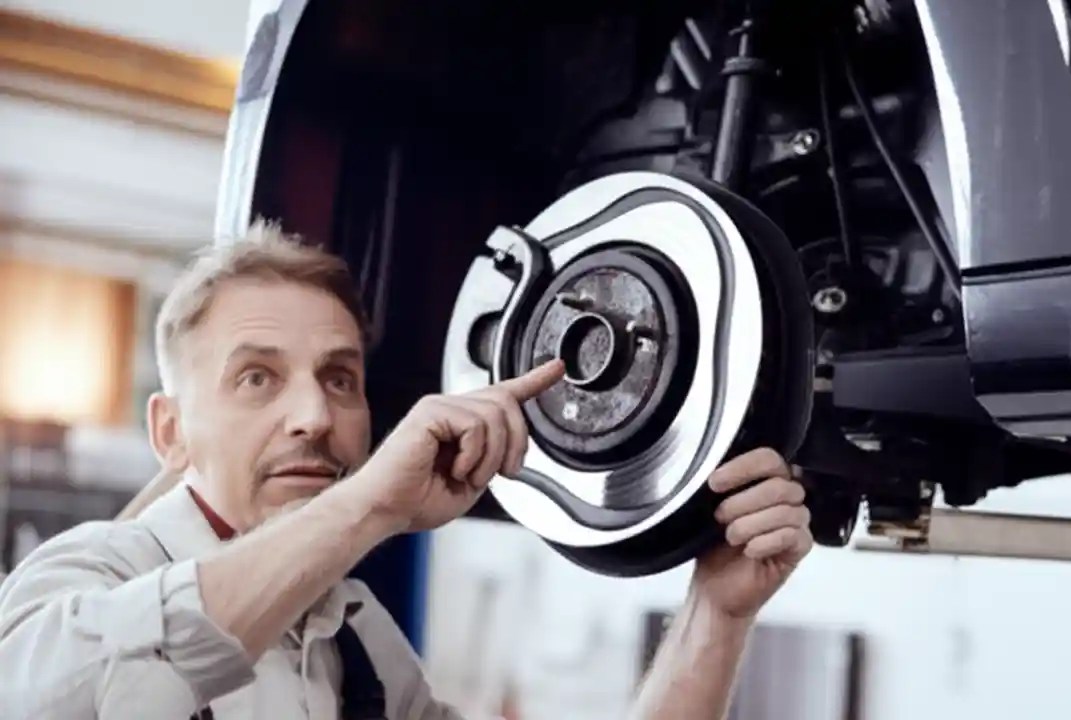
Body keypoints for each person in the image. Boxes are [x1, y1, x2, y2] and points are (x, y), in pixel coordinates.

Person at [0, 222, 814, 719]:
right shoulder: (87, 574)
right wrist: (366, 509)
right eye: (257, 377)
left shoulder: (356, 646)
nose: (314, 416)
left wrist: (716, 613)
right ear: (170, 431)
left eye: (340, 378)